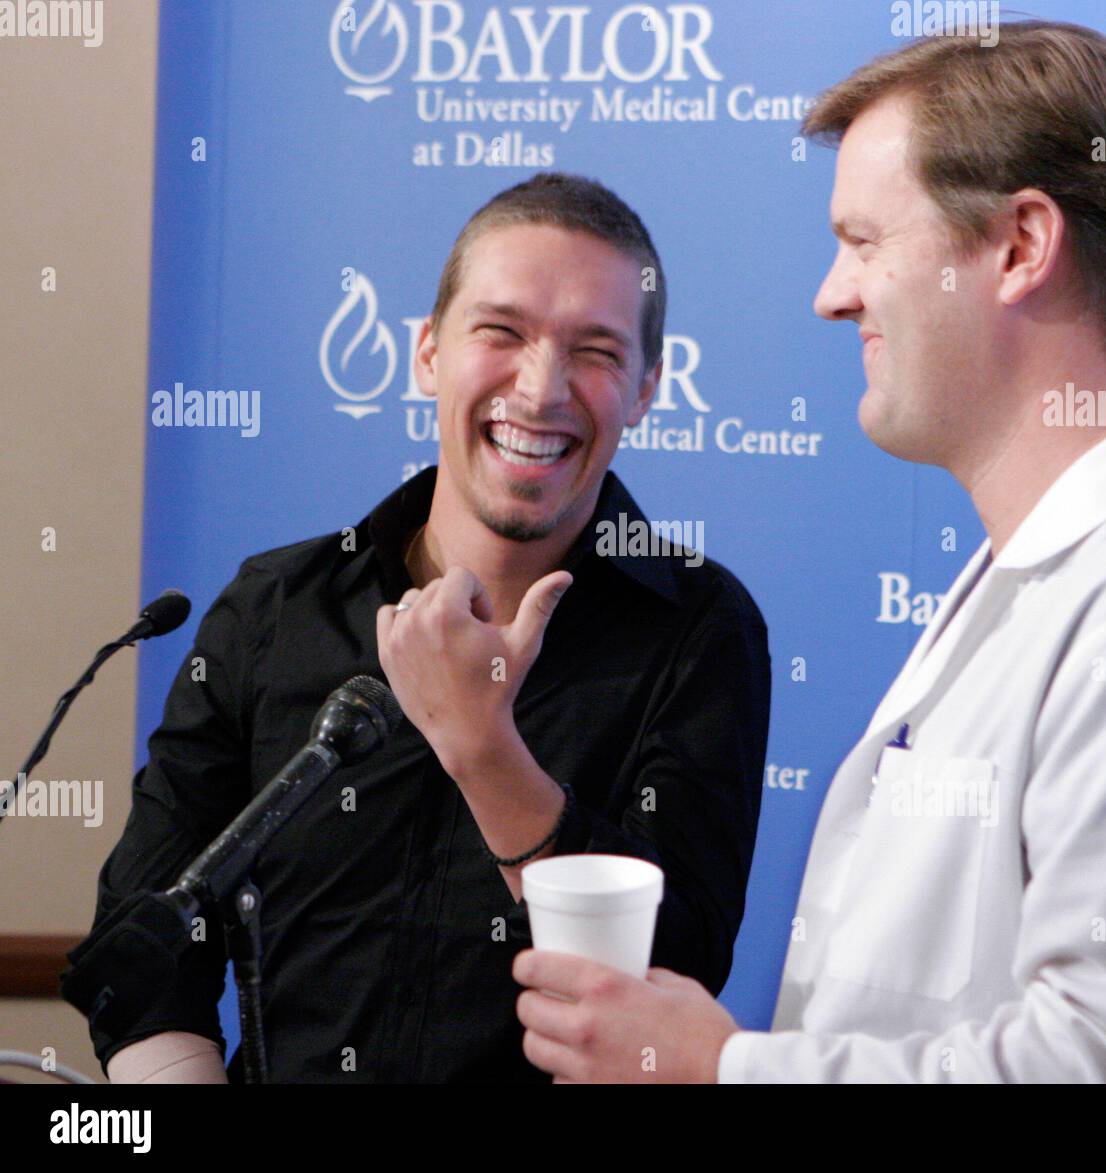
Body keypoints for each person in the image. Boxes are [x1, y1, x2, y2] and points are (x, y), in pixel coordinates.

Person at [514, 22, 1106, 1083]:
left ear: (1020, 247)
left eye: (867, 241)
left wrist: (726, 1072)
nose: (831, 294)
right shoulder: (1061, 579)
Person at [84, 173, 771, 1083]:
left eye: (597, 350)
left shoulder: (700, 630)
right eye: (502, 331)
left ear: (646, 389)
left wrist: (485, 750)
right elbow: (140, 941)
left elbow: (666, 984)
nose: (541, 387)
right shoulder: (275, 607)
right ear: (427, 354)